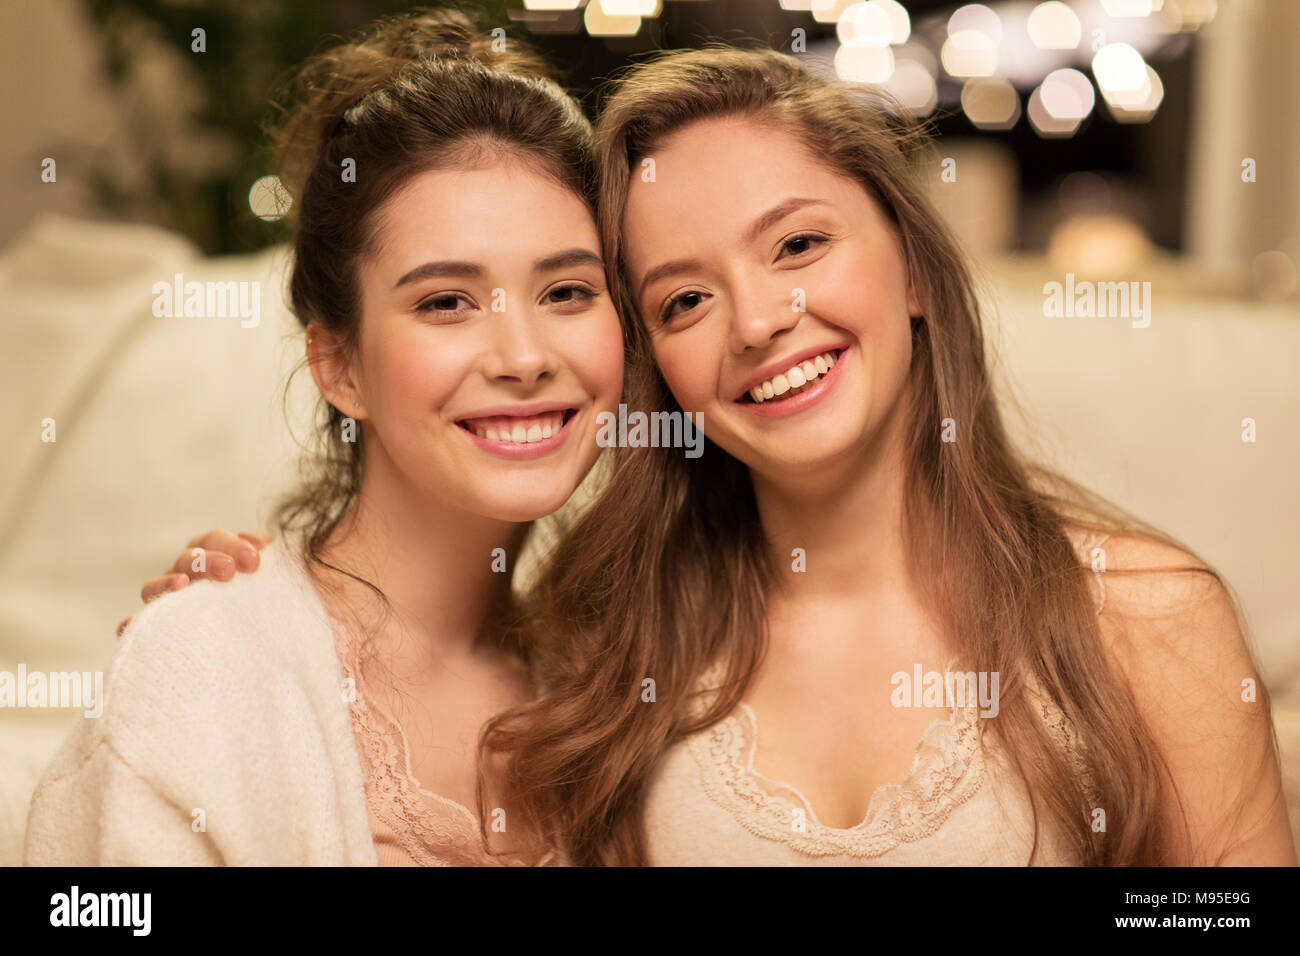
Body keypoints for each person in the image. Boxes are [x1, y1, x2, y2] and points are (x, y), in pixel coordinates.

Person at [24, 7, 622, 866]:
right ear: (339, 367)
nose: (524, 357)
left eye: (566, 291)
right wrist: (207, 651)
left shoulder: (614, 672)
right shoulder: (210, 670)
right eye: (445, 301)